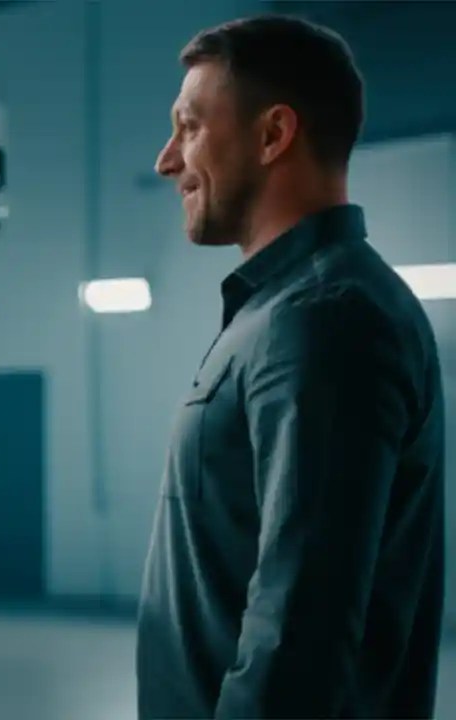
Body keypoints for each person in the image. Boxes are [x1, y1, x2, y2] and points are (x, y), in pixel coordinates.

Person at [137, 14, 446, 719]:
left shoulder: (323, 320)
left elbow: (299, 629)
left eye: (189, 127)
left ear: (274, 135)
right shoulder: (283, 311)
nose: (165, 161)